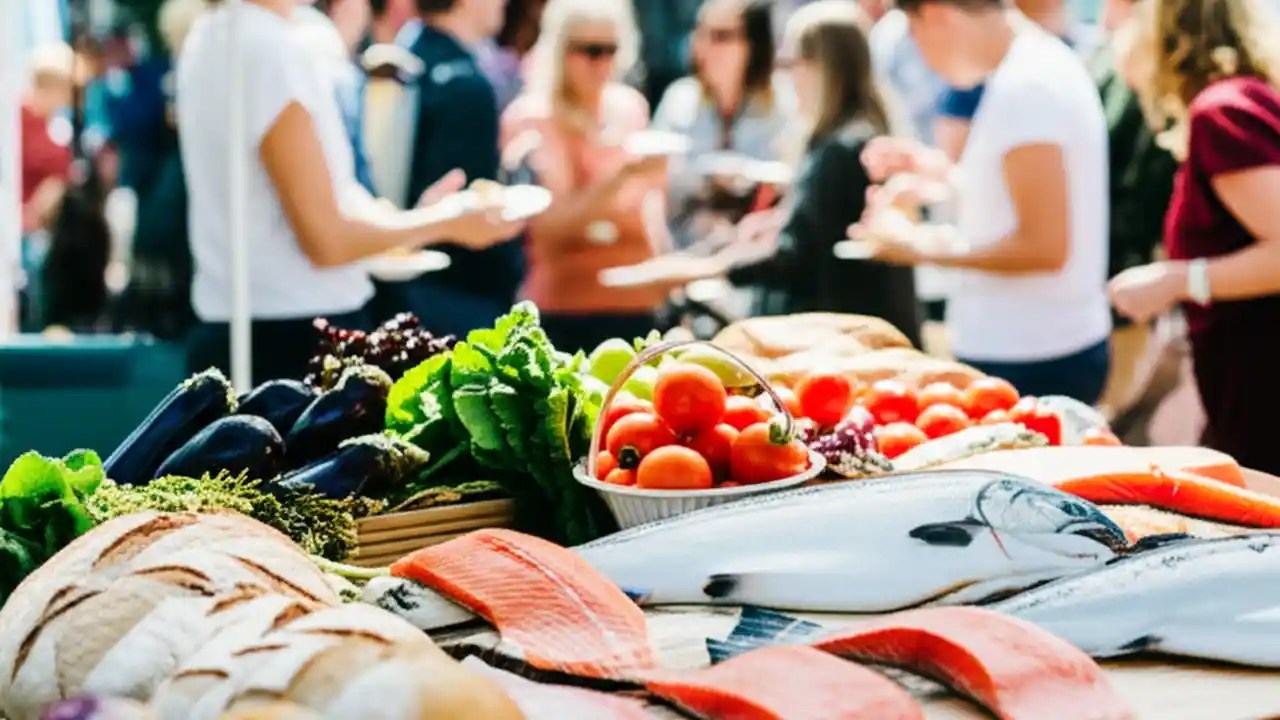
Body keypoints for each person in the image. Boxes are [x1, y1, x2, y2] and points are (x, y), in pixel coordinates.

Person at [177, 0, 521, 384]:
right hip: (292, 344)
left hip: (261, 334)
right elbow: (326, 239)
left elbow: (329, 206)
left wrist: (417, 221)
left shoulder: (221, 33)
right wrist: (444, 223)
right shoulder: (267, 47)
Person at [851, 0, 1111, 404]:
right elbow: (1016, 198)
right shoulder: (1030, 70)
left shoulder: (1028, 87)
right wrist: (938, 175)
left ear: (936, 14)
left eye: (913, 32)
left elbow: (1044, 246)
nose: (918, 51)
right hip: (1032, 352)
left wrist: (914, 247)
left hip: (1033, 359)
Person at [1107, 0, 1280, 473]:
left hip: (1261, 389)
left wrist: (1178, 280)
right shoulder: (1241, 98)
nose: (1108, 24)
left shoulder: (1223, 109)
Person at [500, 0, 675, 353]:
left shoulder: (630, 107)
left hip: (638, 304)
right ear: (559, 51)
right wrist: (620, 178)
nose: (602, 63)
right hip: (566, 309)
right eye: (589, 51)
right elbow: (547, 226)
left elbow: (650, 214)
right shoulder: (532, 119)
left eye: (611, 50)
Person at [376, 0, 519, 339]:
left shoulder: (401, 56)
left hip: (388, 295)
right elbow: (468, 209)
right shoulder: (465, 85)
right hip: (454, 302)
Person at [652, 0, 794, 251]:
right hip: (685, 252)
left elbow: (795, 179)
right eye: (700, 33)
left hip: (757, 256)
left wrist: (745, 174)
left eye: (721, 36)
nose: (704, 46)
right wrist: (706, 179)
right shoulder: (679, 99)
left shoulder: (784, 104)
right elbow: (657, 181)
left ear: (753, 45)